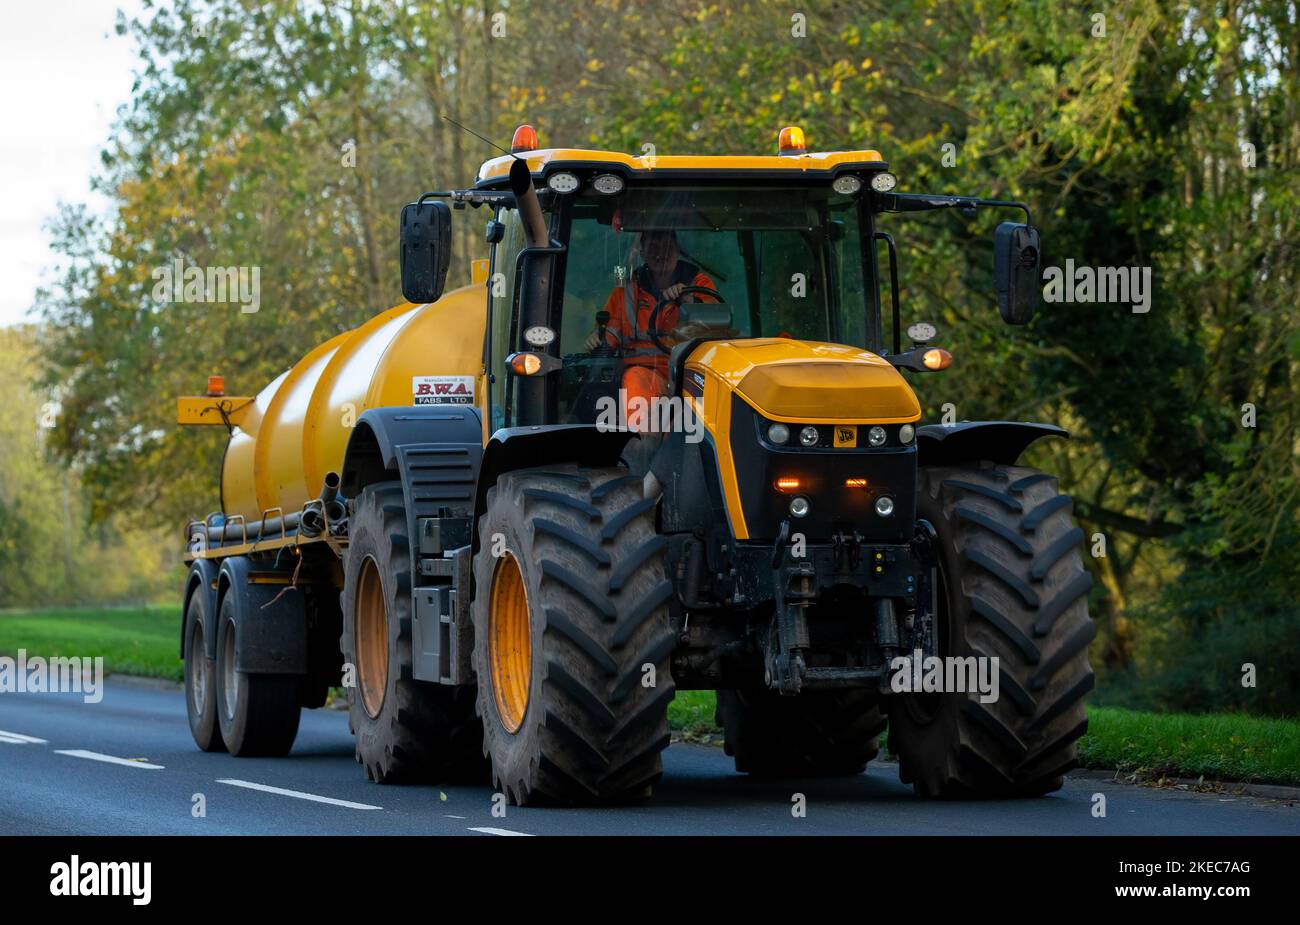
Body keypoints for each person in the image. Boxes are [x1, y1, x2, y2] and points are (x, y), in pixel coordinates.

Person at [584, 229, 718, 418]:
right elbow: (609, 333)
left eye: (667, 247)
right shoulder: (627, 291)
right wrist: (596, 338)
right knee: (635, 380)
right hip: (645, 371)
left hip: (691, 370)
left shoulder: (700, 284)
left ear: (678, 250)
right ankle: (641, 442)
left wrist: (690, 300)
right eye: (653, 247)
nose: (661, 253)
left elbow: (718, 327)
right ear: (642, 253)